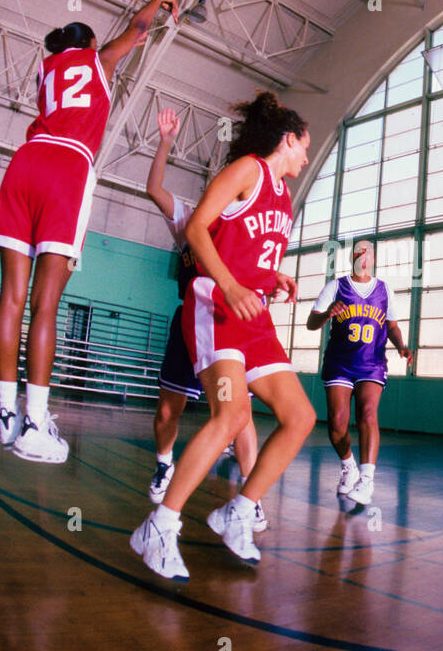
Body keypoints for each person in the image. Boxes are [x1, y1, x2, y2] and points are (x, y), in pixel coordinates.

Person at [0, 0, 178, 462]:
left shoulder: (46, 67)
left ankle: (7, 413)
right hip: (67, 167)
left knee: (11, 296)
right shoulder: (97, 59)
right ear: (90, 42)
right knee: (45, 304)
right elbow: (137, 29)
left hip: (25, 162)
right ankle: (36, 422)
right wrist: (158, 1)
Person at [130, 92, 313, 580]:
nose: (307, 157)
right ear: (287, 139)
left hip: (254, 318)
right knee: (231, 416)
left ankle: (238, 511)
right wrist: (231, 285)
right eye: (304, 148)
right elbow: (196, 230)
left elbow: (249, 248)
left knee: (300, 416)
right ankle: (159, 526)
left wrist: (273, 277)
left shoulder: (282, 193)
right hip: (216, 306)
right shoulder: (248, 170)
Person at [143, 107, 265, 532]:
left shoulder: (251, 219)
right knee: (167, 413)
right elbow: (153, 187)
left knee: (241, 415)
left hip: (227, 325)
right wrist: (165, 140)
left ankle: (251, 495)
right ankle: (164, 465)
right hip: (190, 325)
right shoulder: (191, 217)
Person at [306, 239, 412, 505]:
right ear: (351, 257)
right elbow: (311, 324)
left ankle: (367, 481)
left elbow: (392, 325)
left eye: (368, 252)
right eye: (358, 252)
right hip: (339, 362)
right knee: (337, 421)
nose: (363, 256)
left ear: (374, 258)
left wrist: (402, 346)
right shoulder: (336, 286)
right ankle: (348, 466)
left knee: (367, 413)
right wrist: (327, 313)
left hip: (372, 363)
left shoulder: (385, 289)